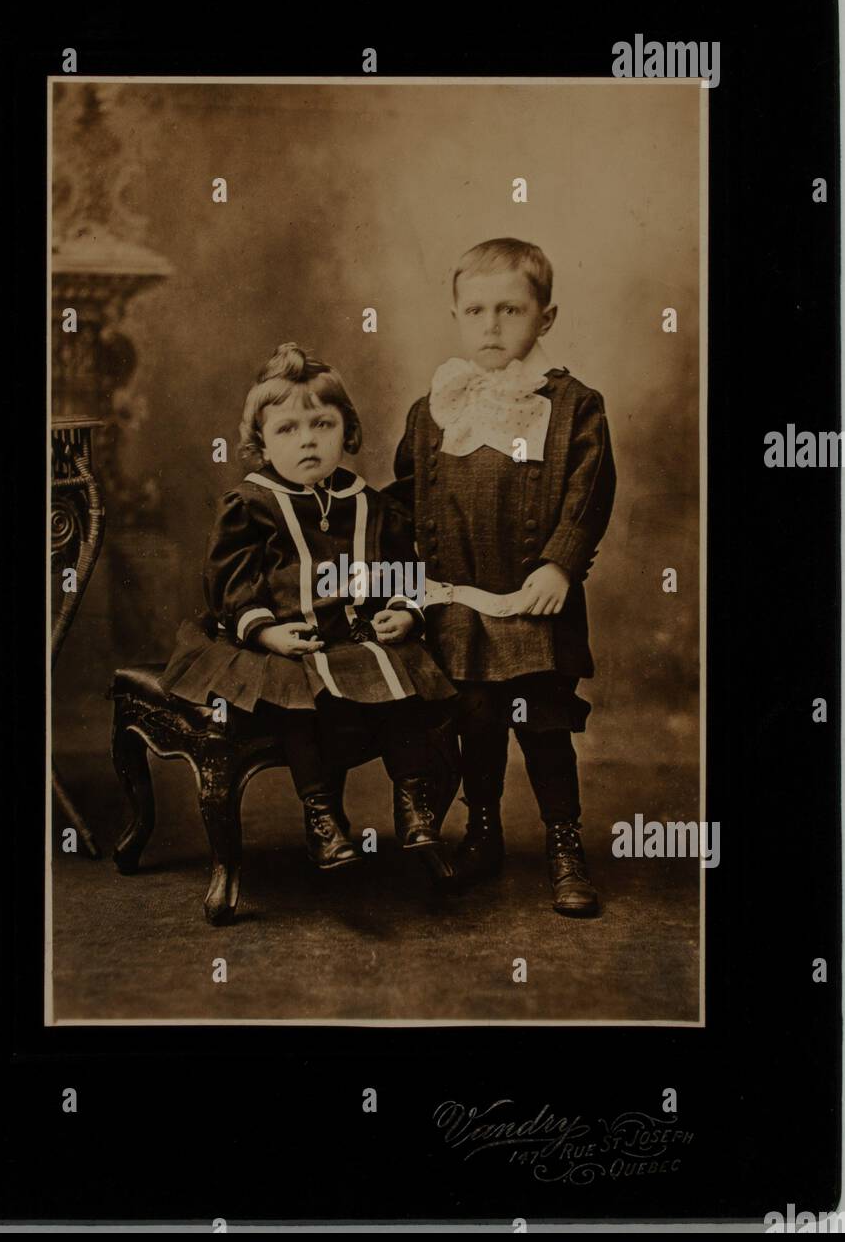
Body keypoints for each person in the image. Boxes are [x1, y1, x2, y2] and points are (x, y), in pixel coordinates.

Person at [161, 342, 456, 875]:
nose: (308, 442)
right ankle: (320, 814)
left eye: (322, 425)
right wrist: (266, 633)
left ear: (348, 431)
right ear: (262, 443)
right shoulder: (251, 504)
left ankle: (413, 802)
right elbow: (232, 583)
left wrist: (404, 610)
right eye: (288, 431)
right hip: (286, 641)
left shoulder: (371, 504)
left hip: (357, 637)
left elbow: (402, 567)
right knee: (295, 699)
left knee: (403, 684)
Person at [389, 238, 616, 915]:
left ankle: (563, 843)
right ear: (456, 314)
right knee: (475, 721)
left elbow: (589, 490)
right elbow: (404, 500)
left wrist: (558, 564)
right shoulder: (432, 408)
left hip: (530, 601)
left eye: (510, 310)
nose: (491, 326)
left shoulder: (573, 403)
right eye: (476, 309)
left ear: (543, 318)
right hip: (455, 601)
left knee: (541, 725)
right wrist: (399, 587)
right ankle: (481, 829)